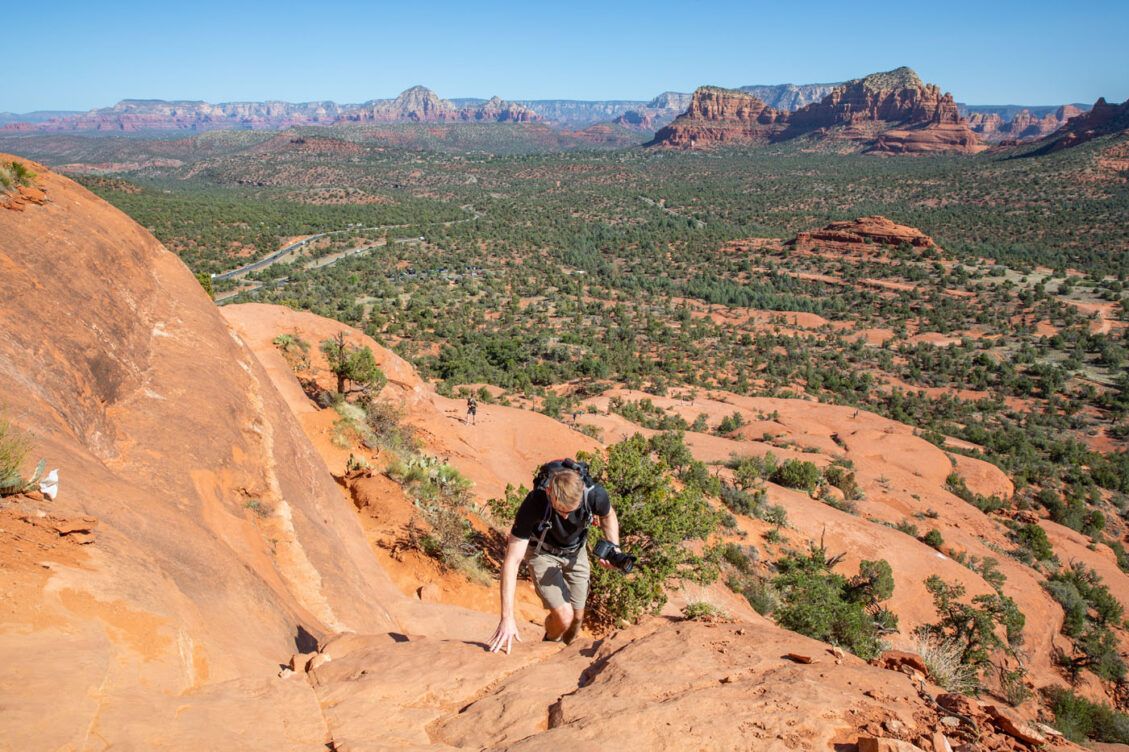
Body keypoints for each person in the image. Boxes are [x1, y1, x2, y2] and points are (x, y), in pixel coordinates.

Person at [488, 459, 620, 654]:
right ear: (550, 492)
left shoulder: (594, 494)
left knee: (576, 617)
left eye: (571, 510)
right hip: (542, 552)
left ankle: (561, 655)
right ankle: (548, 647)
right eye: (560, 510)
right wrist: (507, 618)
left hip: (576, 551)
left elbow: (608, 515)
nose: (566, 516)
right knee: (564, 617)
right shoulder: (535, 502)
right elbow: (512, 560)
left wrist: (614, 547)